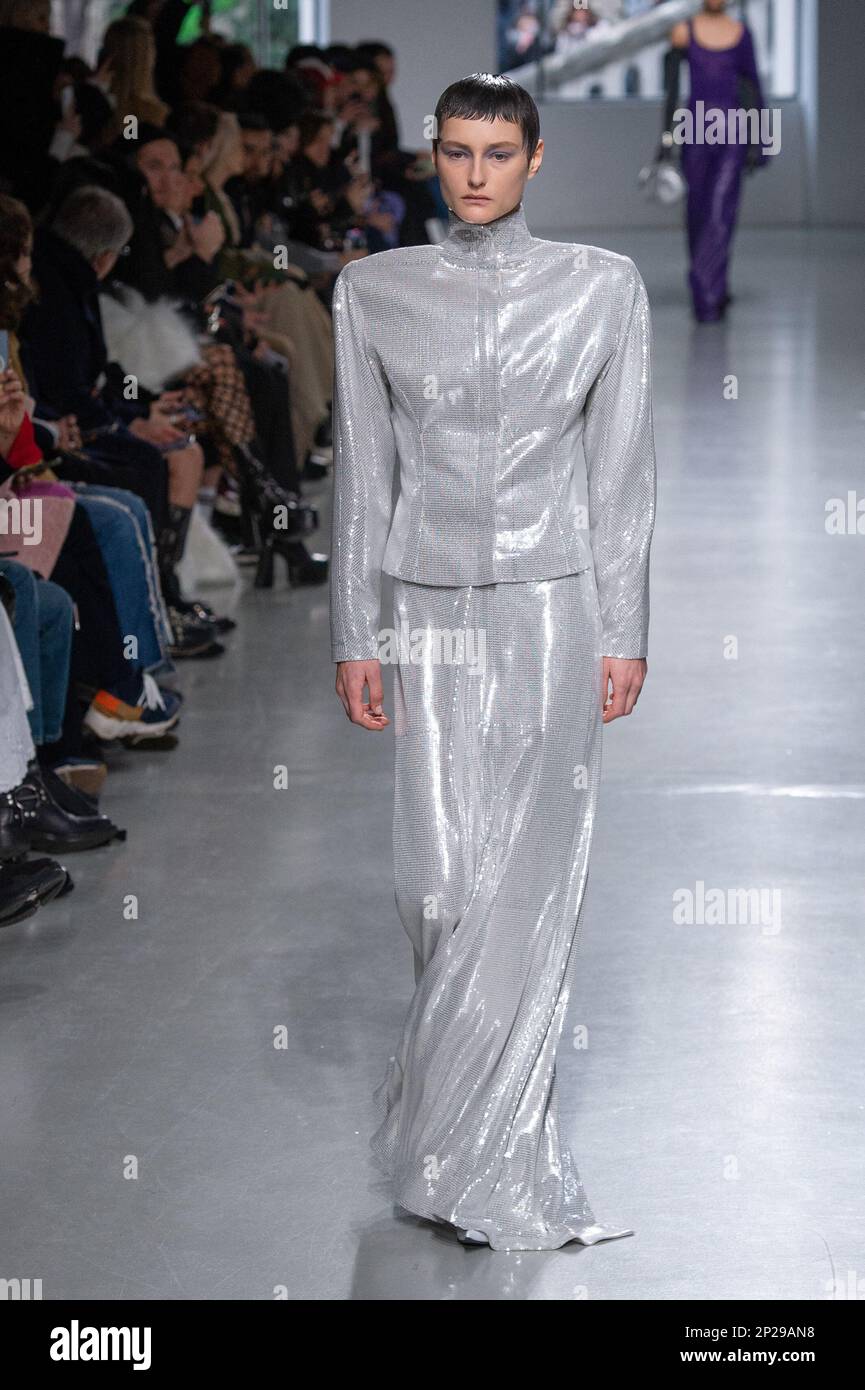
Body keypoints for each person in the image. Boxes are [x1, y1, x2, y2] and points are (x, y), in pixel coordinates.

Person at [329, 73, 656, 1251]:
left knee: (525, 882)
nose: (476, 173)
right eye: (458, 151)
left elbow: (620, 474)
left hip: (553, 605)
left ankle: (499, 1150)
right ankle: (440, 1141)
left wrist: (626, 627)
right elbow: (362, 474)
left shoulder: (600, 289)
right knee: (437, 883)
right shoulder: (373, 290)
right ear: (432, 155)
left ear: (534, 158)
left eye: (499, 152)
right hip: (427, 604)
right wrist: (352, 632)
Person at [668, 0, 769, 321]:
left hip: (732, 134)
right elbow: (671, 90)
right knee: (698, 211)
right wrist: (665, 138)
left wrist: (761, 141)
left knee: (720, 211)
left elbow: (753, 87)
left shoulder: (742, 34)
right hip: (695, 132)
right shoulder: (684, 32)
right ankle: (713, 285)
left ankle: (707, 296)